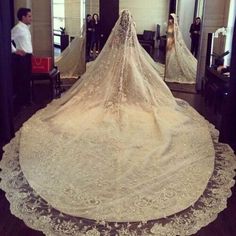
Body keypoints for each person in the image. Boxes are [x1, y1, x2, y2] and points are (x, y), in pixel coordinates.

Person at [0, 9, 235, 236]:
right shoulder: (133, 49)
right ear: (130, 28)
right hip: (133, 93)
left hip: (117, 92)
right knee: (137, 96)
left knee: (115, 93)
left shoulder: (114, 49)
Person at [165, 13, 197, 84]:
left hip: (174, 45)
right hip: (173, 44)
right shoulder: (174, 26)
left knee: (173, 59)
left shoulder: (173, 26)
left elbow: (175, 37)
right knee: (172, 59)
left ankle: (172, 73)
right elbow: (175, 37)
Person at [11, 8, 33, 111]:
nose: (31, 18)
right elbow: (7, 39)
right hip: (21, 58)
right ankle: (20, 105)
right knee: (22, 80)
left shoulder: (25, 28)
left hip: (28, 56)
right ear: (23, 17)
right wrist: (15, 50)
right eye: (29, 16)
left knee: (27, 79)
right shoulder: (18, 28)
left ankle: (27, 102)